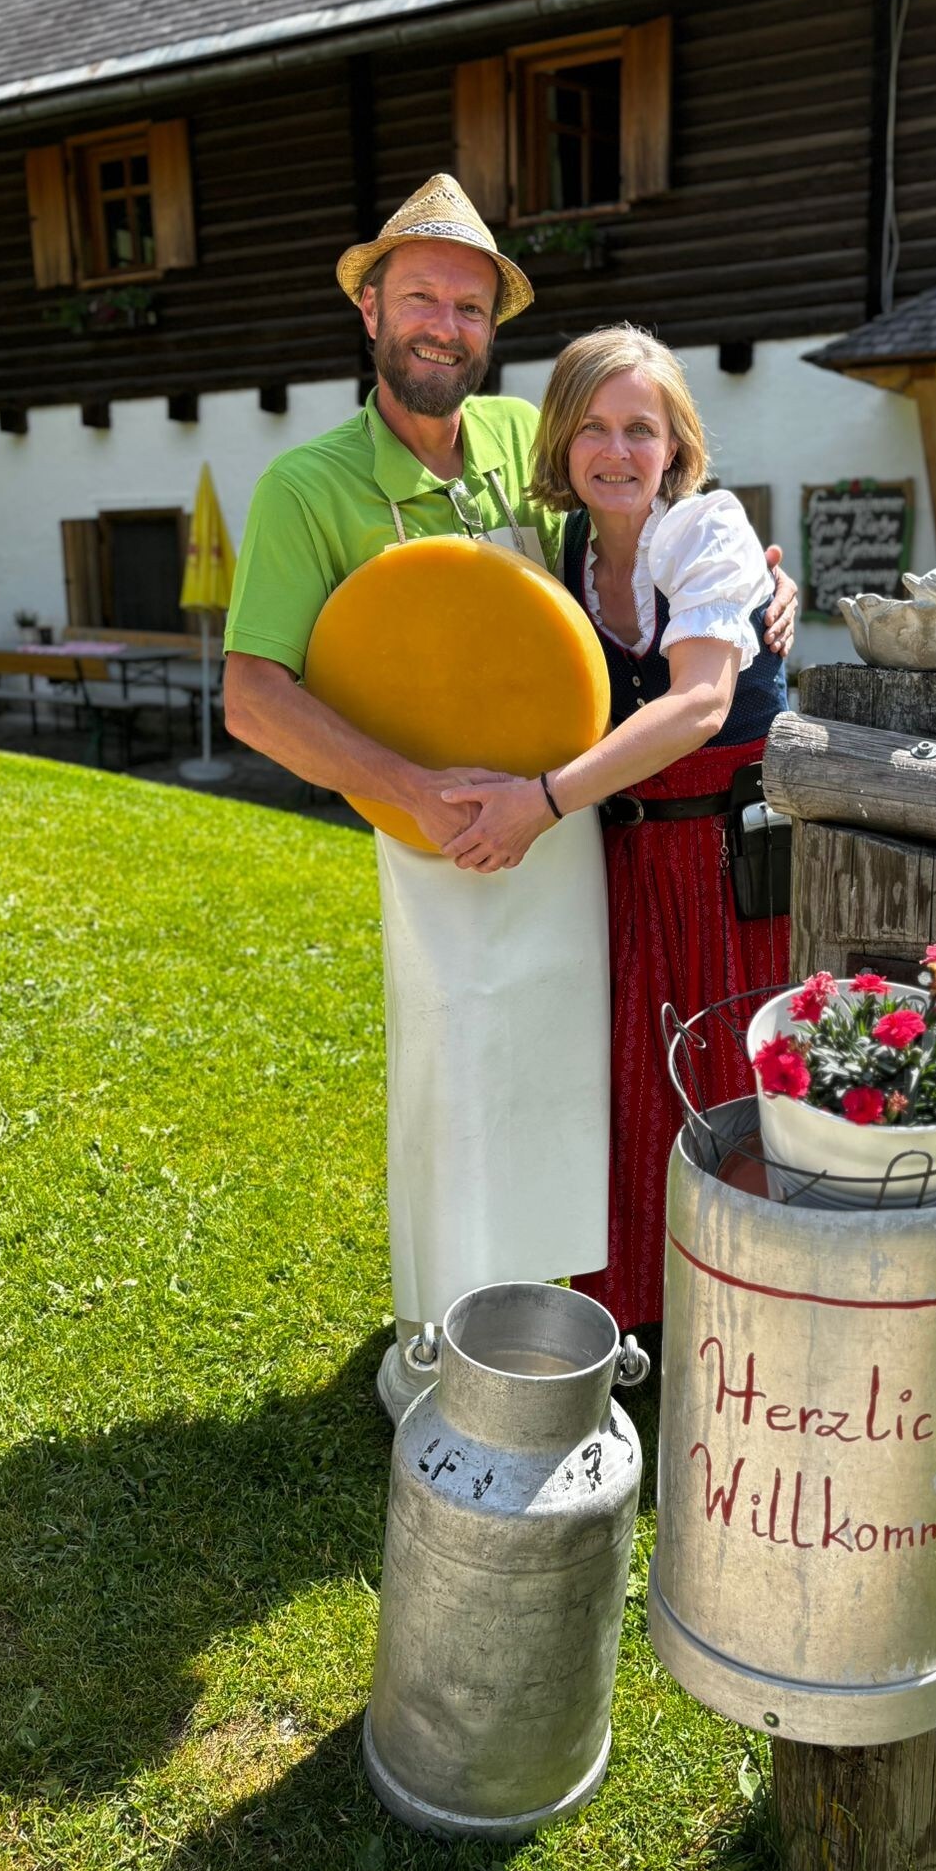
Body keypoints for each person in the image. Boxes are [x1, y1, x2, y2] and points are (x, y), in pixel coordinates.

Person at [222, 176, 797, 1416]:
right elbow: (252, 697)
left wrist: (761, 579)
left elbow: (649, 510)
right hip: (437, 847)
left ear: (492, 329)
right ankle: (445, 1349)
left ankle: (568, 1317)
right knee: (457, 1089)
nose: (444, 324)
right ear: (371, 309)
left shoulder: (518, 442)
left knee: (581, 1081)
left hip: (576, 828)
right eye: (421, 297)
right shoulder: (308, 486)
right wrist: (411, 791)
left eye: (470, 306)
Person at [434, 326, 793, 1338]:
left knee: (735, 1084)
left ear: (677, 445)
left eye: (642, 427)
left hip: (731, 862)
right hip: (627, 857)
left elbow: (699, 706)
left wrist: (543, 800)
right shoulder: (567, 552)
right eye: (592, 426)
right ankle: (633, 1317)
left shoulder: (709, 531)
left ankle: (752, 1320)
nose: (617, 450)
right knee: (629, 1085)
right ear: (562, 440)